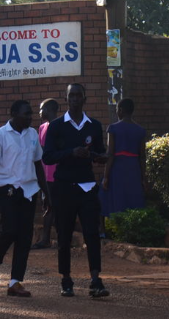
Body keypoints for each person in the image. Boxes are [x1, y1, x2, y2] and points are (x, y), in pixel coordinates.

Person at [43, 83, 110, 298]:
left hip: (87, 186)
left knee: (92, 233)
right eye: (71, 95)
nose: (74, 99)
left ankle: (95, 280)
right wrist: (71, 152)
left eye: (78, 95)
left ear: (84, 99)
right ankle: (66, 279)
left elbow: (99, 152)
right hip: (63, 187)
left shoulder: (94, 125)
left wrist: (100, 157)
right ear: (66, 99)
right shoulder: (56, 126)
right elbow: (48, 156)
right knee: (64, 235)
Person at [0, 100, 50, 298]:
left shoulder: (32, 134)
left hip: (29, 191)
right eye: (26, 114)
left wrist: (46, 192)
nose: (30, 117)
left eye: (31, 114)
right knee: (10, 230)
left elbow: (38, 164)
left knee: (25, 236)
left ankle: (15, 282)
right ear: (13, 113)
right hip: (7, 190)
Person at [99, 98, 147, 221]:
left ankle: (108, 230)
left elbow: (110, 154)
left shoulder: (113, 128)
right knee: (133, 199)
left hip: (117, 168)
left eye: (116, 110)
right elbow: (142, 156)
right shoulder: (140, 130)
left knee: (115, 198)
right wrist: (143, 177)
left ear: (120, 110)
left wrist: (106, 176)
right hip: (134, 168)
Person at [32, 98, 60, 249]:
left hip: (57, 173)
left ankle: (49, 239)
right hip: (45, 173)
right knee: (47, 205)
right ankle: (47, 239)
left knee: (55, 206)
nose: (39, 112)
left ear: (49, 110)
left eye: (41, 109)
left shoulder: (60, 126)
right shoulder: (42, 127)